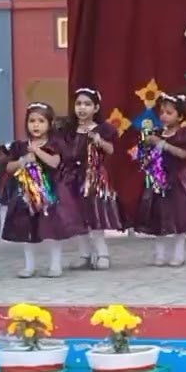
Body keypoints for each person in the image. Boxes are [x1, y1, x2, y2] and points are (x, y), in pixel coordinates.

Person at [1, 102, 88, 278]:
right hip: (27, 194)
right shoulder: (19, 146)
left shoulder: (55, 143)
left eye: (41, 121)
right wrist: (23, 160)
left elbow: (55, 162)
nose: (36, 125)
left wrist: (37, 152)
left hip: (50, 193)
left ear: (49, 124)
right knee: (27, 229)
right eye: (32, 121)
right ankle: (29, 265)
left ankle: (55, 264)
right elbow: (9, 167)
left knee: (52, 229)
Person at [133, 92, 186, 266]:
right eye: (162, 112)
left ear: (180, 116)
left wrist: (161, 144)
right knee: (158, 216)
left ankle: (178, 254)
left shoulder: (185, 134)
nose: (164, 116)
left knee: (179, 217)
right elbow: (149, 155)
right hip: (158, 179)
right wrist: (145, 153)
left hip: (178, 179)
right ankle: (159, 254)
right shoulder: (157, 132)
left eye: (169, 113)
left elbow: (183, 153)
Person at [66, 88, 124, 269]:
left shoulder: (104, 129)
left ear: (96, 108)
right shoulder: (68, 129)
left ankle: (102, 254)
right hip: (72, 177)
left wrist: (99, 140)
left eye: (87, 104)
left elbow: (112, 150)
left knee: (94, 215)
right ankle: (84, 255)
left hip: (94, 177)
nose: (82, 108)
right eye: (78, 104)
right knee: (78, 217)